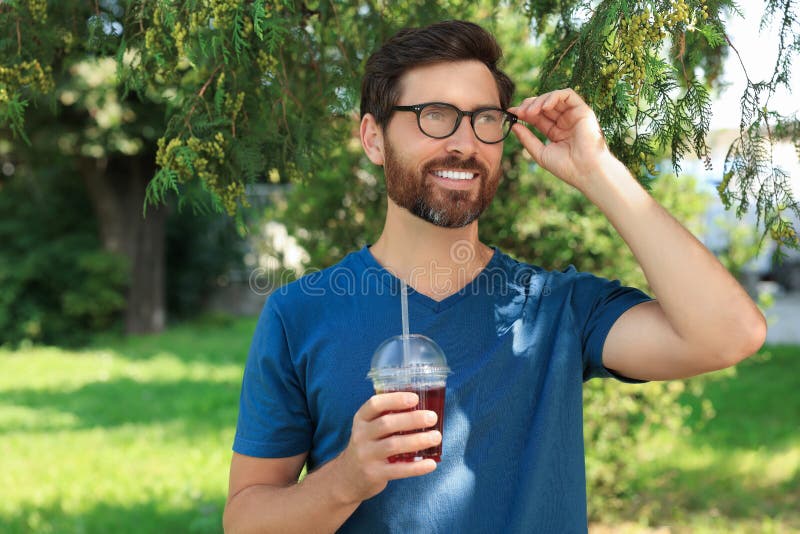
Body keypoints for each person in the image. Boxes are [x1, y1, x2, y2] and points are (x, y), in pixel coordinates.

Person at [223, 20, 766, 533]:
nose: (465, 141)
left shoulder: (558, 311)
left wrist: (599, 171)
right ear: (373, 137)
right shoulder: (301, 314)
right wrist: (345, 481)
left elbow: (730, 334)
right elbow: (245, 521)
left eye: (485, 119)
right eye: (435, 114)